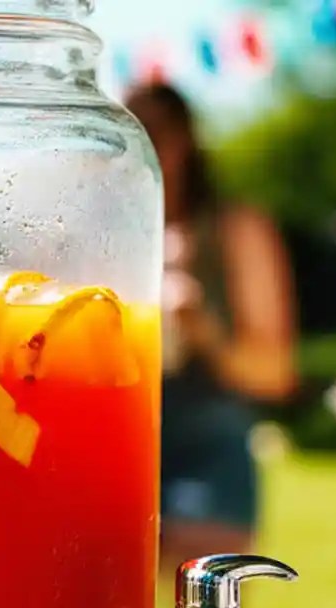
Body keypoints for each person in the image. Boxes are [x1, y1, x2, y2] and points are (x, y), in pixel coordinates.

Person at [126, 83, 298, 567]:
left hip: (208, 459)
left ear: (186, 141)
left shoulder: (237, 229)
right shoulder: (94, 231)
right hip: (116, 452)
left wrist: (203, 329)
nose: (146, 144)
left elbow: (275, 374)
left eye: (157, 131)